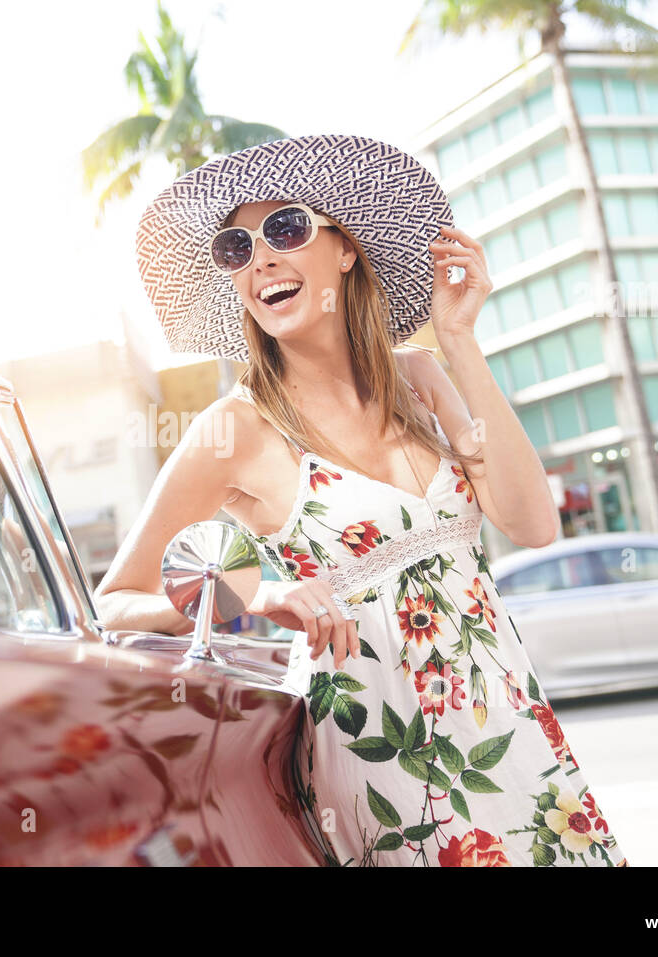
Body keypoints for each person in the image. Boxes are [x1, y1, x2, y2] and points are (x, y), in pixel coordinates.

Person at [99, 134, 627, 867]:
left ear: (345, 249)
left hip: (508, 729)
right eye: (236, 248)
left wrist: (460, 341)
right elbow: (117, 599)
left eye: (285, 229)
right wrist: (256, 590)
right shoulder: (235, 428)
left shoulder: (422, 379)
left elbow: (532, 521)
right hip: (381, 763)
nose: (262, 260)